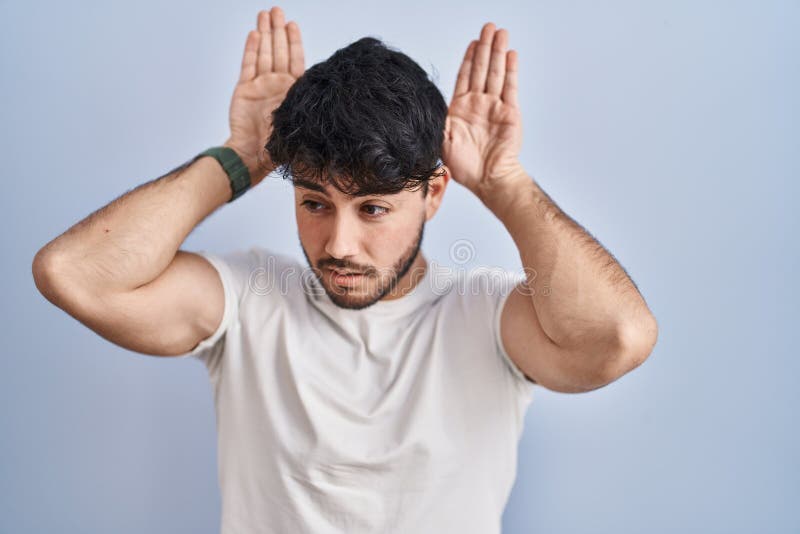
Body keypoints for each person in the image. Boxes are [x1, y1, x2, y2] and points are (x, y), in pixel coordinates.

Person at [31, 6, 658, 533]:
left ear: (434, 194)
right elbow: (73, 273)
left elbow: (618, 337)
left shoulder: (489, 317)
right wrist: (243, 157)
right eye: (313, 203)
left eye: (374, 208)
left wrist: (504, 183)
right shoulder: (248, 299)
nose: (340, 244)